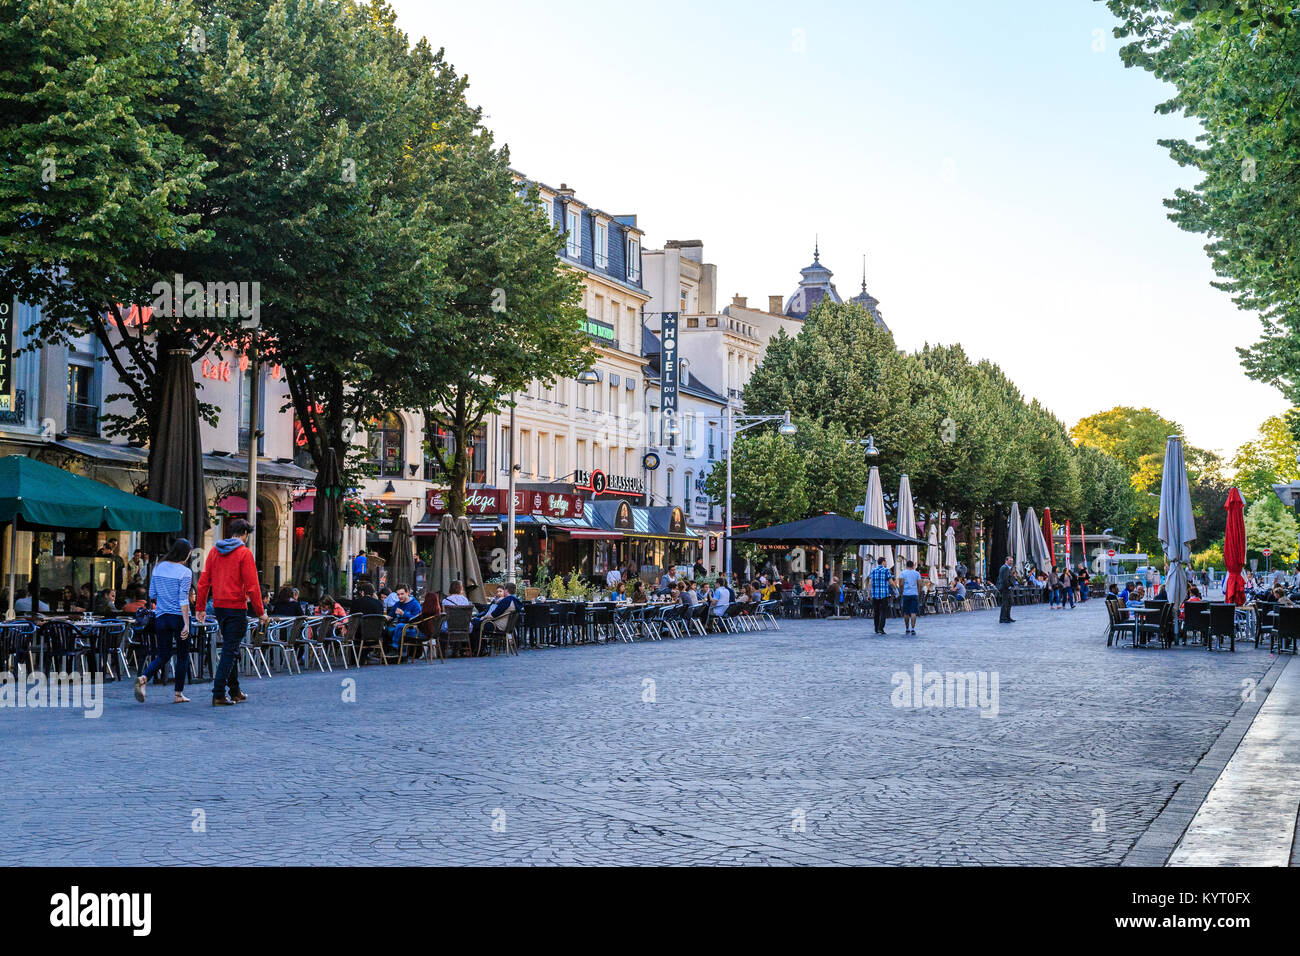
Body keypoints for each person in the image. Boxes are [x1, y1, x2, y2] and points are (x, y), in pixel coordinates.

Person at [196, 518, 267, 707]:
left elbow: (203, 582)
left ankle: (234, 691)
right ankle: (218, 693)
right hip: (236, 607)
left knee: (231, 647)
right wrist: (261, 612)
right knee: (230, 649)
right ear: (244, 534)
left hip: (219, 607)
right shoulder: (244, 553)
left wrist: (200, 608)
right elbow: (253, 586)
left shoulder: (214, 552)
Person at [135, 538, 194, 704]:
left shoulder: (158, 567)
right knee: (182, 656)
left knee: (163, 654)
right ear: (185, 553)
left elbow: (152, 593)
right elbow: (183, 599)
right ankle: (178, 694)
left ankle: (144, 677)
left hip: (161, 616)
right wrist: (186, 623)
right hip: (178, 617)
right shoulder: (185, 572)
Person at [471, 583, 523, 655]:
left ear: (506, 590)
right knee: (476, 625)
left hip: (497, 626)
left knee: (473, 623)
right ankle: (481, 648)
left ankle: (479, 649)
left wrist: (483, 617)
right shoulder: (515, 600)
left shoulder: (507, 600)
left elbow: (494, 614)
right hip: (507, 626)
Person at [386, 584, 422, 651]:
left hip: (412, 629)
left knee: (399, 627)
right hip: (399, 627)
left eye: (402, 594)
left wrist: (403, 614)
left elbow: (417, 619)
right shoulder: (397, 604)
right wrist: (387, 617)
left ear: (408, 593)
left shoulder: (415, 604)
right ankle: (384, 653)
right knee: (385, 630)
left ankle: (395, 649)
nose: (400, 596)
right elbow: (391, 615)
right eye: (398, 594)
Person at [868, 556, 893, 635]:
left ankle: (876, 628)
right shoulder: (886, 570)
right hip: (884, 594)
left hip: (875, 595)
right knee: (883, 612)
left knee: (876, 612)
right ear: (883, 562)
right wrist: (895, 589)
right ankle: (881, 628)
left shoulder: (873, 571)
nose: (886, 563)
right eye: (885, 562)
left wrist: (869, 594)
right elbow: (891, 582)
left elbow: (870, 583)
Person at [898, 560, 921, 635]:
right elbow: (919, 584)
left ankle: (907, 628)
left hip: (906, 594)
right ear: (913, 565)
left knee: (906, 612)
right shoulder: (917, 573)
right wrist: (918, 592)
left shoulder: (903, 573)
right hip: (914, 593)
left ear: (906, 565)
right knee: (913, 612)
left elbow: (901, 584)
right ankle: (913, 628)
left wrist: (901, 593)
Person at [997, 555, 1017, 624]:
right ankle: (1003, 618)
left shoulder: (1008, 568)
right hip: (1005, 588)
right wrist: (1009, 586)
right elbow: (1004, 579)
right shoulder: (1005, 568)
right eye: (1010, 561)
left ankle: (1008, 617)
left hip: (1007, 588)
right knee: (1005, 603)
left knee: (1009, 602)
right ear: (1006, 561)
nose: (1011, 562)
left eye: (1012, 561)